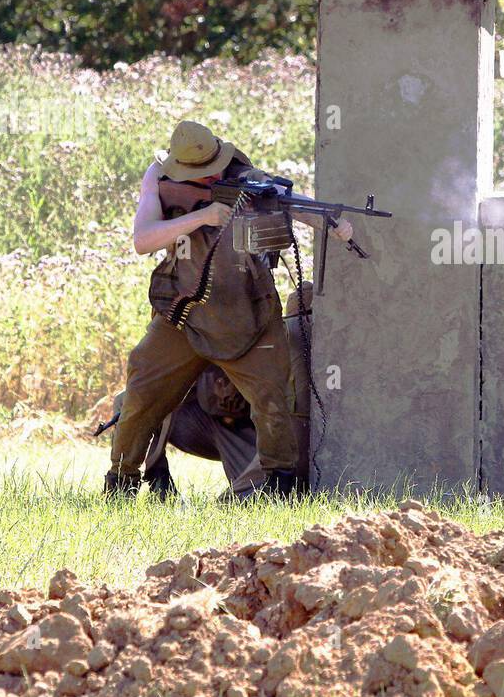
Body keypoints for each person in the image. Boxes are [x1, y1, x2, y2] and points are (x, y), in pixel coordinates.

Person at [105, 120, 347, 500]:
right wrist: (203, 216)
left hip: (247, 314)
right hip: (183, 311)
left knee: (272, 400)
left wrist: (333, 223)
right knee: (141, 389)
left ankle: (278, 488)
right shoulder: (158, 175)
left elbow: (294, 206)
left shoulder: (246, 176)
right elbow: (143, 239)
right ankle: (122, 482)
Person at [135, 283, 314, 501]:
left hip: (248, 432)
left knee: (260, 490)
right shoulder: (196, 335)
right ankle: (159, 482)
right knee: (144, 401)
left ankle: (241, 496)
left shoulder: (275, 338)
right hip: (204, 422)